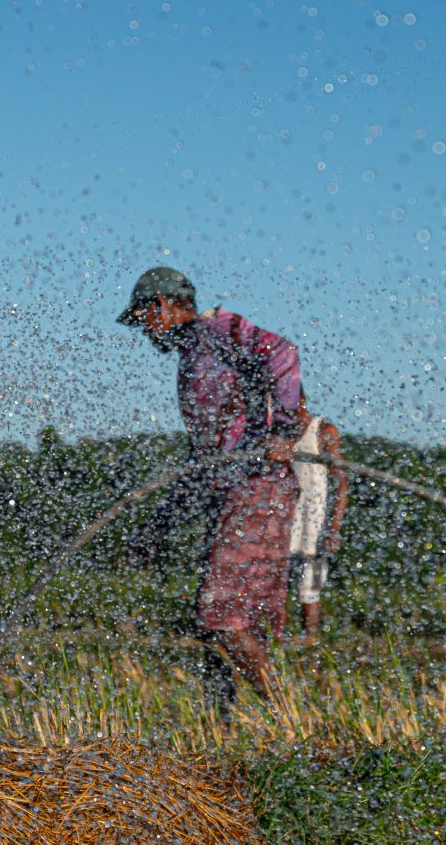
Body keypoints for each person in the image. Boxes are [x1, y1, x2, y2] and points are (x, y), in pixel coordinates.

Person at [119, 266, 303, 713]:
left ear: (161, 306)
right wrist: (159, 524)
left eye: (144, 319)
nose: (145, 331)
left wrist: (284, 428)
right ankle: (220, 730)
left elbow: (282, 352)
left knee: (222, 617)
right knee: (217, 624)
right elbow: (202, 458)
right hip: (229, 492)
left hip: (259, 487)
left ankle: (289, 722)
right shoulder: (191, 358)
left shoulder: (215, 328)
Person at [287, 405, 348, 639]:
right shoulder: (280, 430)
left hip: (313, 517)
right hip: (285, 512)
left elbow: (342, 483)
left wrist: (334, 527)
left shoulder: (323, 431)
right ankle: (275, 634)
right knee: (279, 574)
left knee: (310, 577)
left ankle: (310, 638)